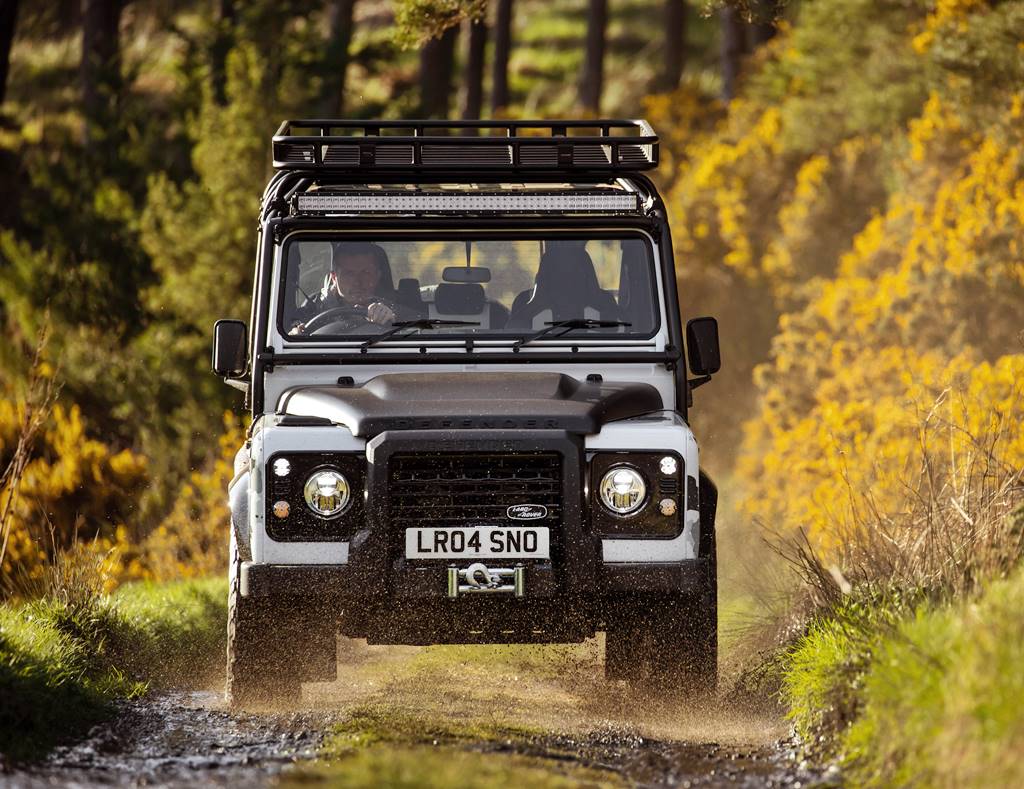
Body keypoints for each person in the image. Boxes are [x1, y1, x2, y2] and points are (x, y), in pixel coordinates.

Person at [290, 242, 402, 334]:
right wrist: (295, 335)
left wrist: (391, 321)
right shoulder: (311, 310)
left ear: (378, 276)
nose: (358, 282)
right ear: (334, 278)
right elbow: (288, 336)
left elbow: (409, 331)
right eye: (349, 274)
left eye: (366, 273)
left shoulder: (398, 307)